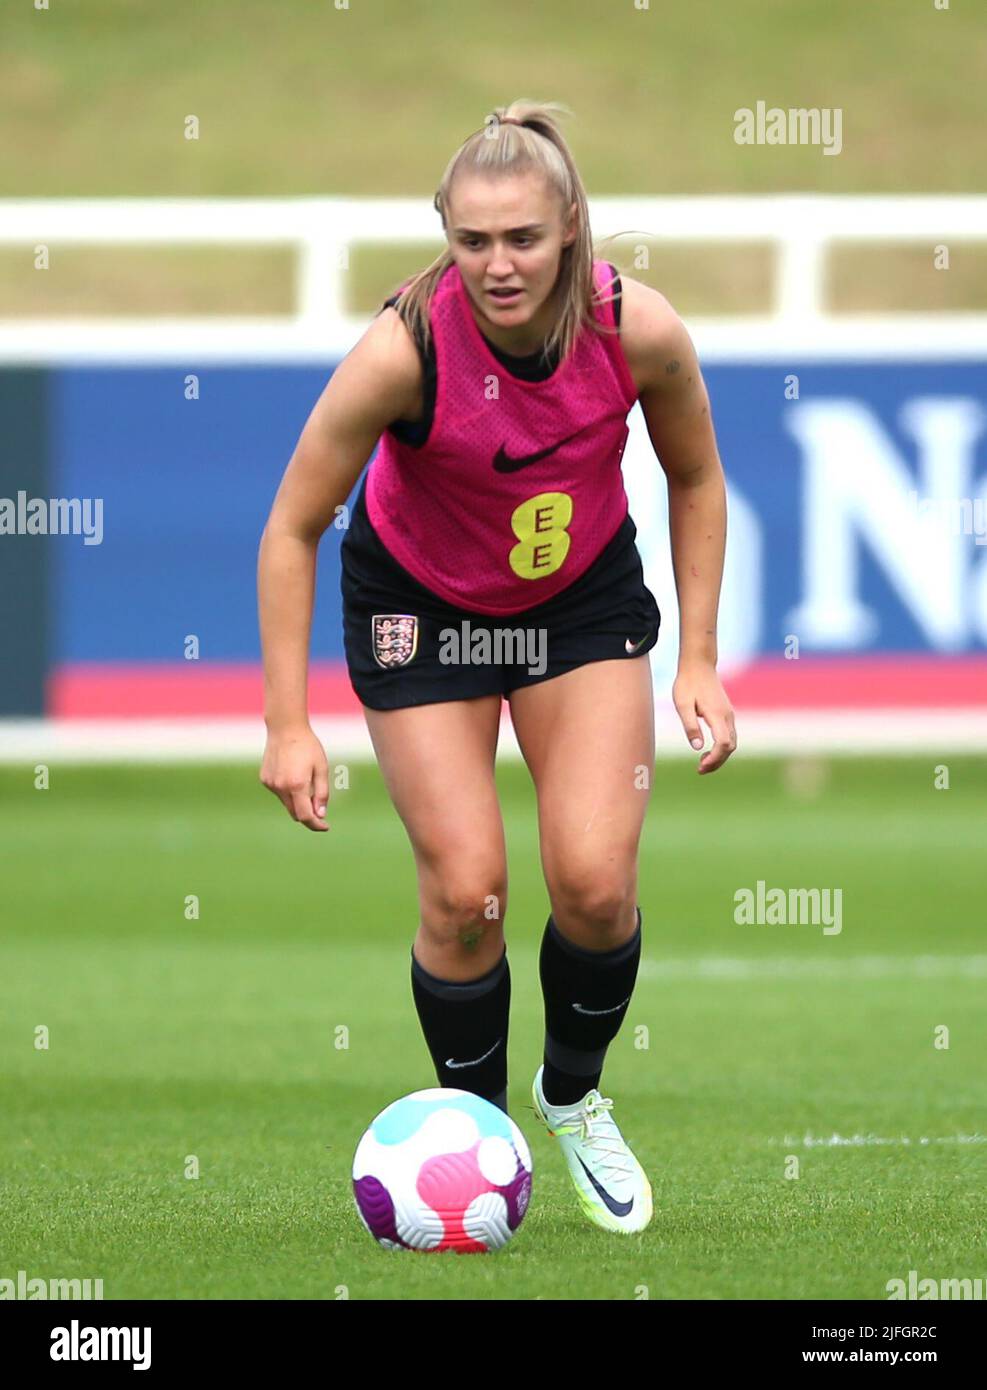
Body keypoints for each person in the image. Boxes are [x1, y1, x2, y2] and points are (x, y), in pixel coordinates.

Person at [258, 101, 737, 1235]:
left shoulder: (641, 330)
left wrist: (701, 662)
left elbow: (699, 477)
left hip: (578, 606)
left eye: (521, 237)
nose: (497, 264)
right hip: (422, 612)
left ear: (570, 225)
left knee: (596, 883)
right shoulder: (403, 349)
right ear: (445, 235)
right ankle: (477, 1138)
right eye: (471, 241)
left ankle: (569, 1095)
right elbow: (292, 525)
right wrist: (287, 723)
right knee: (467, 890)